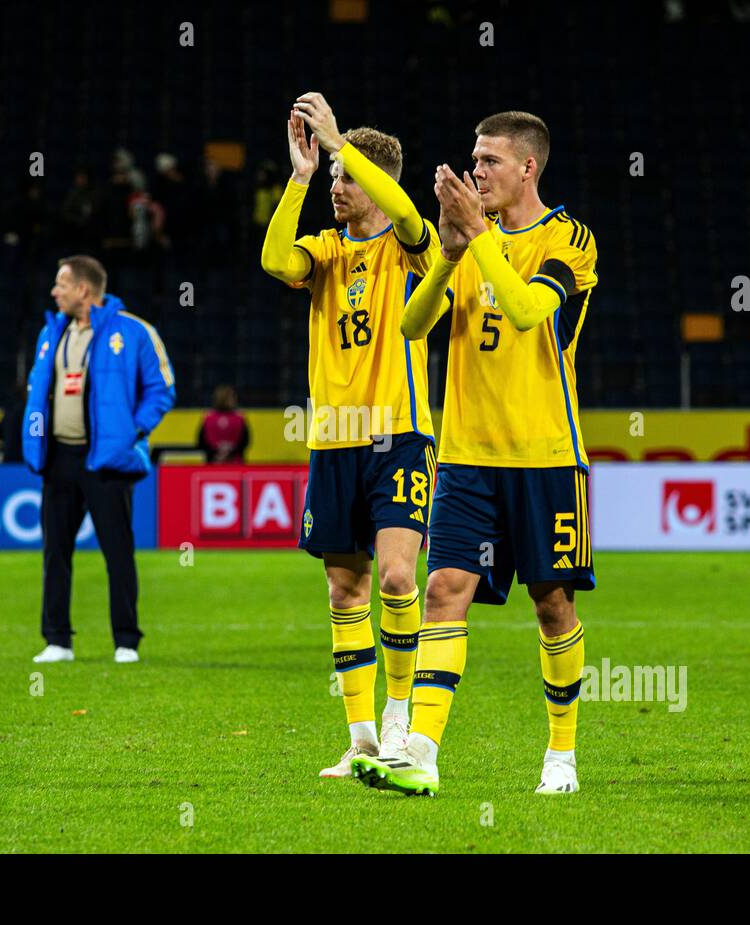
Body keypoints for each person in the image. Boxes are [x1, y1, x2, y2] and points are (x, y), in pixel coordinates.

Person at [355, 111, 599, 797]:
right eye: (472, 159)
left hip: (546, 456)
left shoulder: (568, 239)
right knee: (443, 589)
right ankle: (423, 752)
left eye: (489, 161)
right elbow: (412, 324)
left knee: (552, 605)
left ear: (528, 167)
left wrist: (479, 237)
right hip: (464, 457)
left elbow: (526, 311)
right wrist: (452, 255)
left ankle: (561, 756)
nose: (474, 172)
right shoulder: (470, 243)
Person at [261, 93, 439, 779]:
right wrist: (302, 176)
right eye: (333, 179)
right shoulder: (325, 250)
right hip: (333, 436)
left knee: (399, 573)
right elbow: (277, 260)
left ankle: (400, 720)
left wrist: (342, 143)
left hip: (401, 432)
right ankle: (361, 737)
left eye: (345, 178)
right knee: (345, 591)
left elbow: (408, 213)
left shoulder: (408, 244)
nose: (337, 187)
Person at [23, 255, 175, 664]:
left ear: (83, 290)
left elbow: (162, 389)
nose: (54, 291)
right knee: (55, 552)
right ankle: (57, 640)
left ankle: (125, 640)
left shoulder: (134, 331)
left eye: (61, 284)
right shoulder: (51, 332)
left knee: (118, 552)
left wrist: (132, 432)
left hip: (107, 461)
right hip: (58, 458)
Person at [197, 385, 250, 463]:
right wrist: (229, 454)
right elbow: (245, 442)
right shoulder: (240, 417)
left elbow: (201, 443)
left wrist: (218, 454)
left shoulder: (208, 417)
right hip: (234, 463)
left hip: (214, 462)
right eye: (232, 397)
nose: (235, 400)